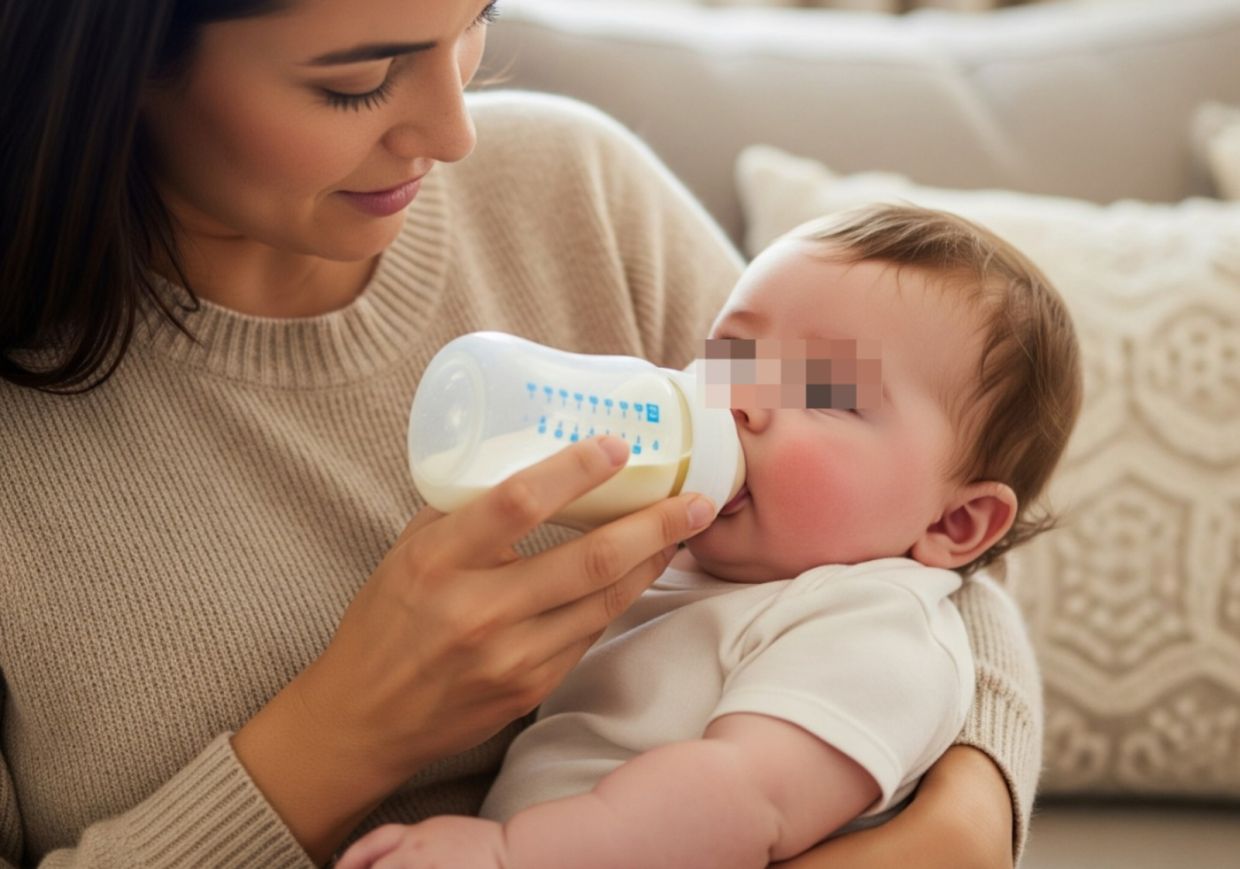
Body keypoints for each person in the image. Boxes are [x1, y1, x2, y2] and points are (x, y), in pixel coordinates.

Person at [0, 1, 1039, 866]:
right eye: (358, 79)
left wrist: (967, 816)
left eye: (474, 22)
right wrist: (343, 734)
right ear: (115, 64)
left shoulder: (575, 190)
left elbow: (918, 544)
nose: (456, 133)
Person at [335, 204, 1083, 869]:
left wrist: (509, 855)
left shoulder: (873, 624)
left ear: (954, 523)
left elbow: (737, 800)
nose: (741, 397)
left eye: (822, 391)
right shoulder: (682, 556)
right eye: (733, 353)